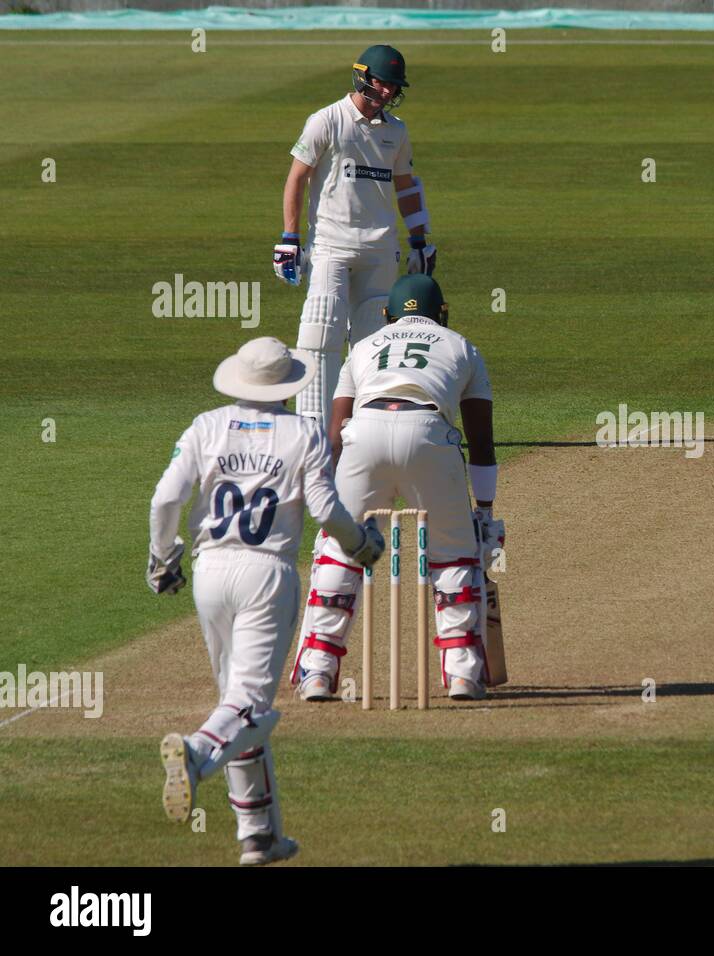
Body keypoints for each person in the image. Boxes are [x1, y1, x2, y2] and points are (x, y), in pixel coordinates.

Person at [148, 337, 385, 865]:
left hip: (210, 571)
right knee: (248, 705)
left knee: (238, 704)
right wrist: (361, 545)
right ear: (286, 386)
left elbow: (166, 497)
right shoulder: (302, 431)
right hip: (267, 574)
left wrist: (163, 559)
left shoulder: (206, 425)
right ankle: (194, 753)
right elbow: (326, 508)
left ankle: (257, 834)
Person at [290, 275, 504, 704]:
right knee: (453, 555)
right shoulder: (462, 346)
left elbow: (334, 437)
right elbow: (481, 440)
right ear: (442, 312)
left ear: (387, 315)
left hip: (362, 435)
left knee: (341, 551)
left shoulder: (363, 347)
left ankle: (317, 670)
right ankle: (462, 675)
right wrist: (483, 513)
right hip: (428, 435)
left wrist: (330, 505)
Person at [276, 44, 437, 430]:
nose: (387, 92)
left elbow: (407, 187)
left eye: (393, 87)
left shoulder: (396, 131)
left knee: (372, 339)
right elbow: (297, 177)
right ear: (363, 75)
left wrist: (420, 240)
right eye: (382, 83)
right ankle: (311, 427)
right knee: (321, 329)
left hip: (381, 249)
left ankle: (363, 424)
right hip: (331, 245)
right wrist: (288, 238)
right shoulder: (327, 120)